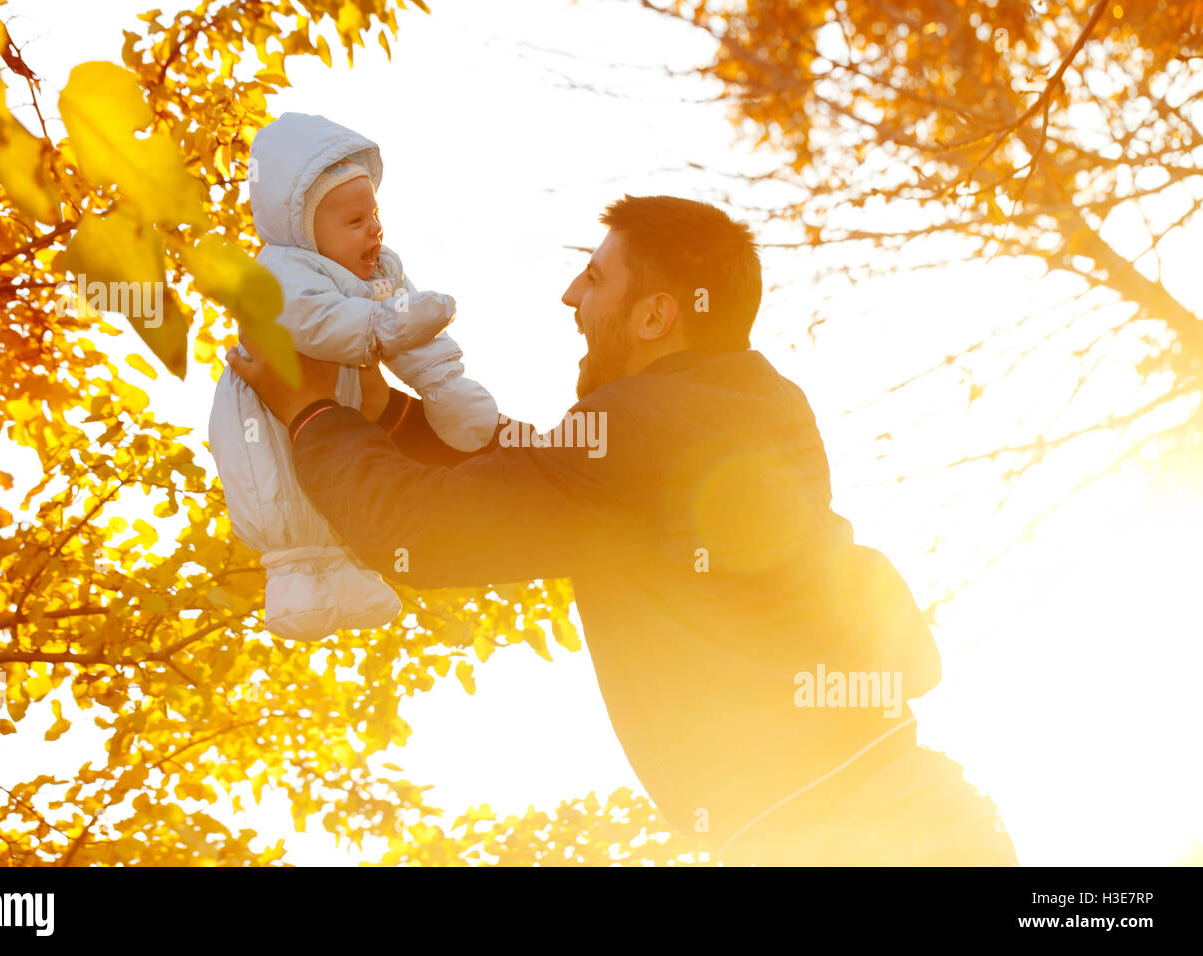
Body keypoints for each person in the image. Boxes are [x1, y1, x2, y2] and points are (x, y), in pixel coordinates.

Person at [227, 194, 1017, 865]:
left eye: (596, 276)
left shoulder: (644, 433)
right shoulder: (745, 402)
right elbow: (555, 480)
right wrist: (393, 416)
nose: (572, 295)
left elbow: (422, 532)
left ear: (655, 315)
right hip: (899, 815)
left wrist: (312, 411)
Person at [209, 112, 497, 640]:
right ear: (303, 230)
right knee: (279, 487)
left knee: (339, 485)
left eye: (375, 214)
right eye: (354, 221)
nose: (374, 229)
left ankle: (353, 571)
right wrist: (385, 327)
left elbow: (413, 329)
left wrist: (441, 383)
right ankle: (294, 584)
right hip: (267, 406)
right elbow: (316, 325)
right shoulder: (281, 269)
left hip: (330, 407)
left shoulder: (381, 271)